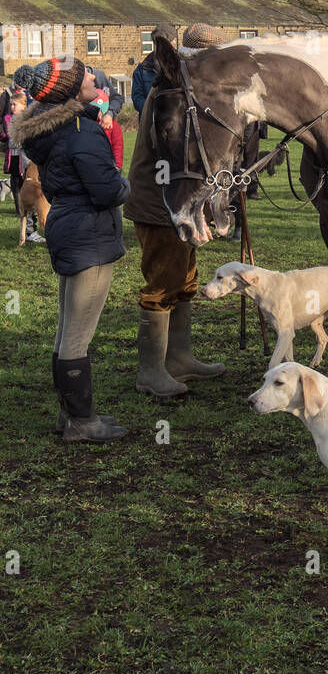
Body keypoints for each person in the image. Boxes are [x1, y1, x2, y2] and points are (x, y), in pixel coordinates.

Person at [10, 57, 130, 442]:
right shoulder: (81, 131)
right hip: (88, 234)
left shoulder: (56, 130)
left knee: (66, 329)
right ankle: (81, 421)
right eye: (85, 75)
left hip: (67, 226)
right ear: (71, 90)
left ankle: (70, 414)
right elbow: (107, 189)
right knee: (78, 333)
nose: (94, 76)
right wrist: (126, 186)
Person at [124, 22, 226, 397]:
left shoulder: (186, 87)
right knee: (162, 285)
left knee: (184, 282)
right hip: (160, 202)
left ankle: (179, 359)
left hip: (180, 201)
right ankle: (150, 373)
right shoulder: (171, 90)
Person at [3, 88, 41, 237]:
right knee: (18, 194)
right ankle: (26, 232)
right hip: (13, 162)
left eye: (15, 104)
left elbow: (21, 142)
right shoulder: (11, 119)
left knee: (29, 196)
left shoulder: (27, 120)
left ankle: (32, 230)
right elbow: (12, 142)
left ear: (24, 106)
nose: (12, 107)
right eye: (11, 105)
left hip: (26, 164)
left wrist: (17, 140)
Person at [93, 88, 125, 170]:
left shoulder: (113, 125)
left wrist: (117, 165)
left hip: (110, 164)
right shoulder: (87, 123)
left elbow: (118, 145)